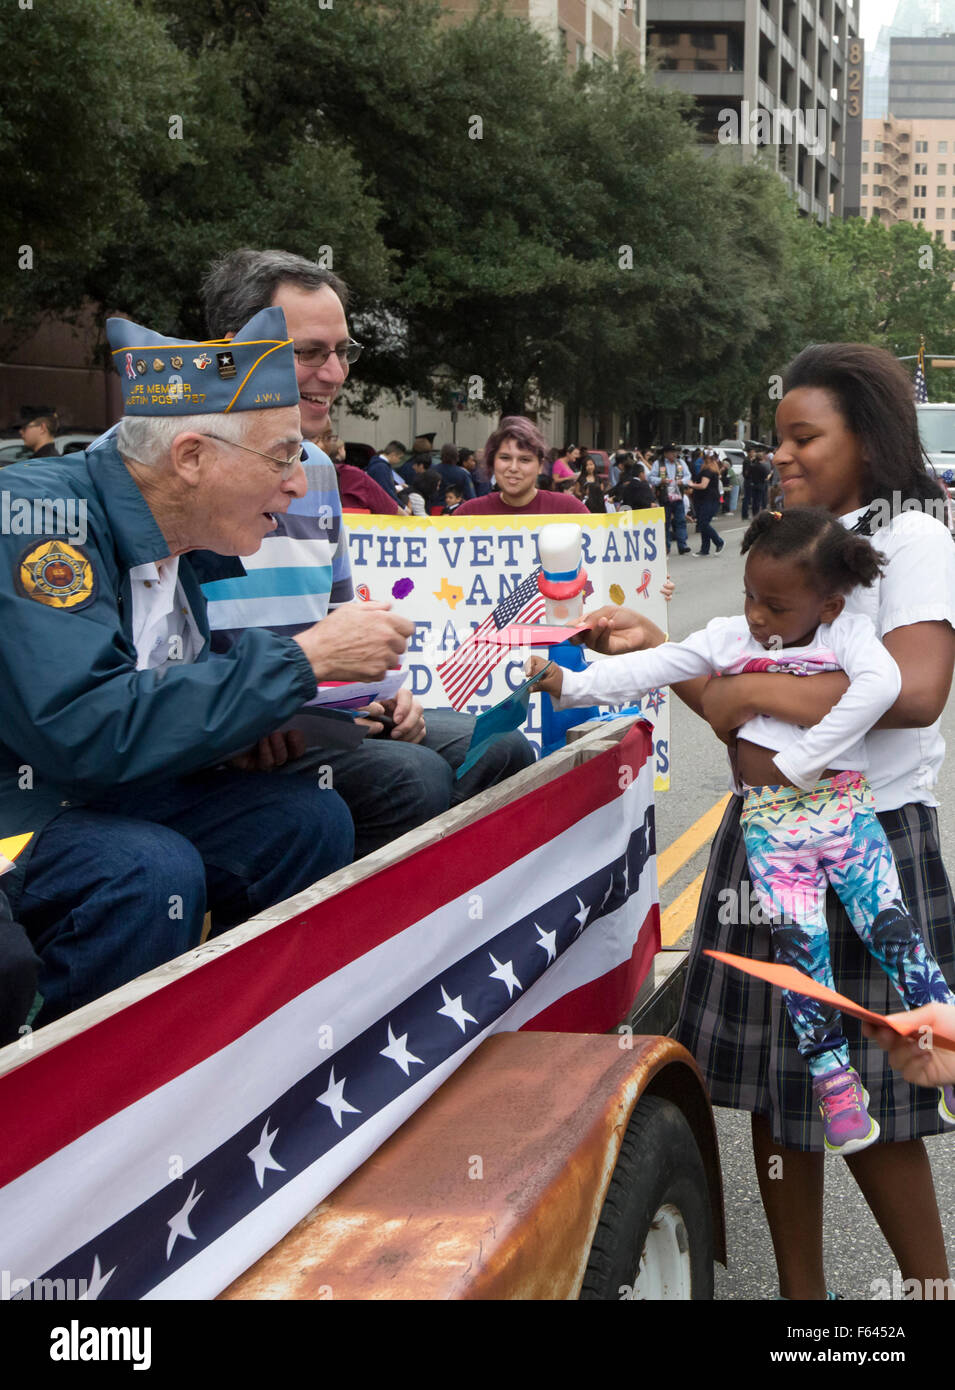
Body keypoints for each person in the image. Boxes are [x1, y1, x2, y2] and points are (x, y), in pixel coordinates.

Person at [579, 344, 955, 1299]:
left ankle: (925, 1296)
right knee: (776, 1098)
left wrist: (748, 690)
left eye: (802, 437)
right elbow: (720, 702)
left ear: (865, 439)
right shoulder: (787, 542)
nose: (779, 454)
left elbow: (913, 691)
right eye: (779, 436)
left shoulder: (909, 539)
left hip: (869, 841)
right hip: (765, 841)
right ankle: (804, 1315)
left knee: (880, 1091)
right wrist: (670, 653)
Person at [0, 306, 420, 1029]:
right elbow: (80, 726)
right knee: (145, 870)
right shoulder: (40, 518)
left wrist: (260, 721)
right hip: (24, 798)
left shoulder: (176, 537)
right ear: (191, 458)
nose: (298, 484)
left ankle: (255, 1048)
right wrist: (303, 659)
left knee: (304, 818)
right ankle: (89, 1108)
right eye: (282, 456)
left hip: (99, 787)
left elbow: (157, 691)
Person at [532, 506, 955, 1158]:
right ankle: (832, 1082)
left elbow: (882, 687)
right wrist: (569, 680)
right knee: (800, 957)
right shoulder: (730, 638)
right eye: (750, 596)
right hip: (771, 830)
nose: (758, 616)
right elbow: (651, 666)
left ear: (829, 602)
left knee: (891, 935)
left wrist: (801, 760)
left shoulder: (848, 636)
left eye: (776, 606)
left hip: (845, 817)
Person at [197, 249, 535, 855]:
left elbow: (341, 625)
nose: (334, 374)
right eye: (308, 352)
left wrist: (384, 689)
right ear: (234, 350)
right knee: (414, 780)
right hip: (215, 733)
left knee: (502, 746)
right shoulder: (170, 471)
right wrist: (244, 715)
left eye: (343, 352)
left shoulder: (320, 470)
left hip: (311, 717)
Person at [452, 417, 589, 516]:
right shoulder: (467, 514)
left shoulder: (570, 510)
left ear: (540, 465)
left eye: (524, 459)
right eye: (505, 458)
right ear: (492, 462)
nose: (513, 467)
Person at [649, 444, 691, 556]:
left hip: (678, 496)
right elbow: (651, 478)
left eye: (675, 452)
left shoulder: (681, 463)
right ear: (665, 454)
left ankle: (682, 545)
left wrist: (683, 481)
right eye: (672, 452)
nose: (674, 454)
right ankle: (666, 547)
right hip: (664, 497)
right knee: (665, 523)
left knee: (680, 521)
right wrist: (660, 480)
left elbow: (688, 476)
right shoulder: (658, 464)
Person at [687, 450, 725, 557]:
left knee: (703, 523)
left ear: (706, 459)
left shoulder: (707, 471)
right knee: (704, 524)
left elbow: (703, 485)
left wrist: (691, 484)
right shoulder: (713, 470)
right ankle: (705, 549)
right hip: (708, 500)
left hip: (707, 500)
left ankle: (719, 542)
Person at [366, 441, 409, 506]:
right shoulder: (381, 467)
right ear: (393, 455)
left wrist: (396, 487)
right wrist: (403, 507)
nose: (399, 460)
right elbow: (385, 491)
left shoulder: (380, 465)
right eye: (400, 458)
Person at [434, 441, 475, 507]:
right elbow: (471, 497)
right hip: (456, 510)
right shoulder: (463, 474)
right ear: (456, 456)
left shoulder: (432, 471)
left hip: (435, 509)